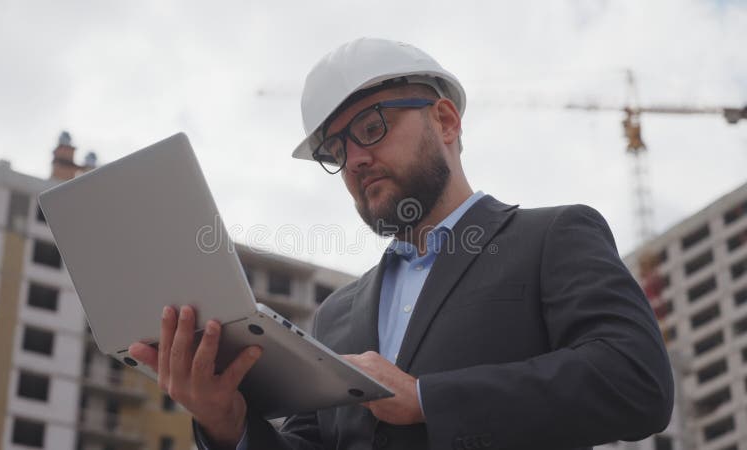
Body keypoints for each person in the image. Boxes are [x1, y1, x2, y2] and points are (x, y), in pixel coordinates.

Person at [129, 37, 674, 450]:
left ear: (445, 120)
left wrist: (427, 399)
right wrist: (228, 424)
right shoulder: (335, 317)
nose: (356, 159)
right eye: (336, 150)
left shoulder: (552, 238)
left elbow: (637, 380)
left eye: (370, 127)